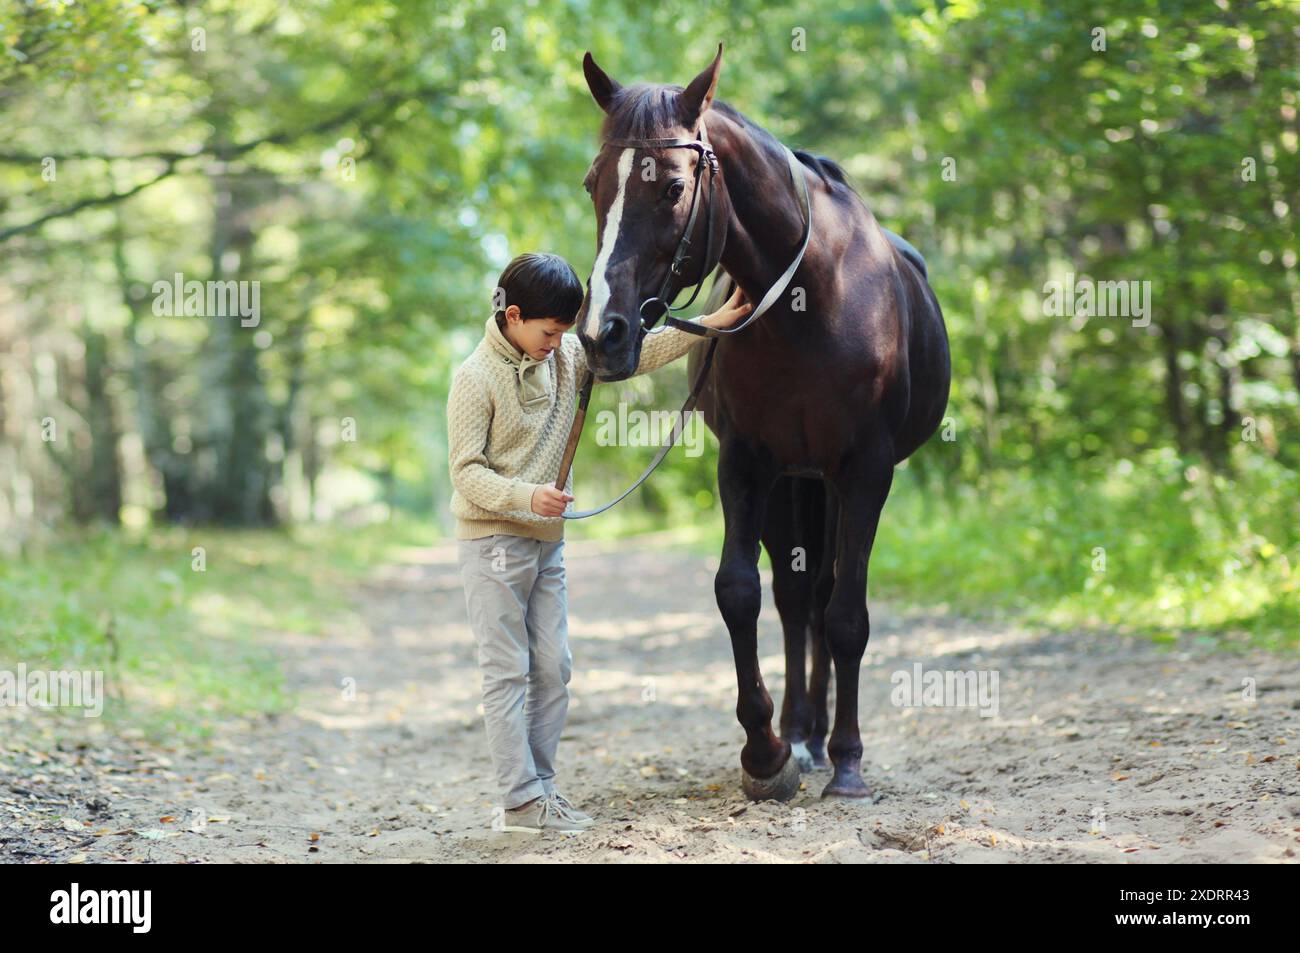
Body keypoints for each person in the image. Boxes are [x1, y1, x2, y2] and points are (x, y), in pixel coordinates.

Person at [446, 251, 751, 833]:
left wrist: (705, 327)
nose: (557, 342)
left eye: (564, 332)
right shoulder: (473, 378)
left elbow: (636, 354)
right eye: (549, 331)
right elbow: (465, 473)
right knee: (508, 673)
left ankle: (539, 793)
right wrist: (526, 496)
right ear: (512, 315)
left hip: (547, 545)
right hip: (493, 546)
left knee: (554, 669)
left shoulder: (565, 355)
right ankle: (519, 802)